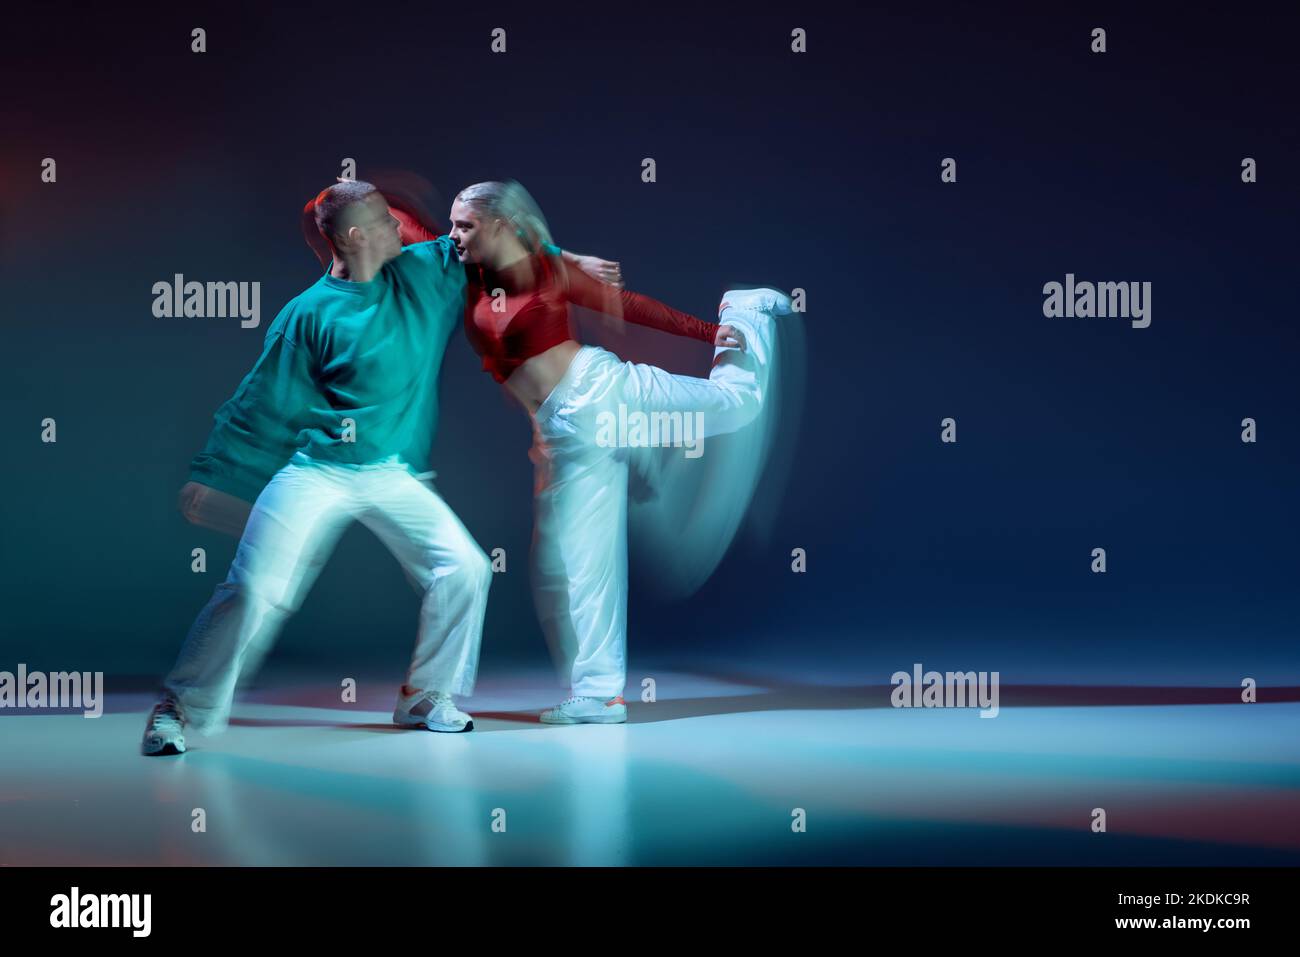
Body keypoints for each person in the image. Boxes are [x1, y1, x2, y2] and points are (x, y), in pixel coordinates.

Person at [143, 180, 615, 754]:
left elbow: (495, 241)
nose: (402, 227)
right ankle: (179, 710)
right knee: (256, 587)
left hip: (392, 472)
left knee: (465, 568)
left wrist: (567, 261)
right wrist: (211, 474)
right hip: (319, 470)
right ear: (357, 236)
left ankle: (424, 697)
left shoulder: (425, 269)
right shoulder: (307, 315)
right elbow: (259, 402)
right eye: (385, 222)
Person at [448, 180, 792, 725]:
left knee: (738, 404)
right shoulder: (459, 265)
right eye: (452, 225)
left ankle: (745, 311)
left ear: (497, 225)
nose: (453, 234)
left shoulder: (545, 270)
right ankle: (601, 695)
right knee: (571, 562)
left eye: (464, 225)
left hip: (602, 394)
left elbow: (629, 305)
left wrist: (707, 331)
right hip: (556, 433)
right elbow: (401, 232)